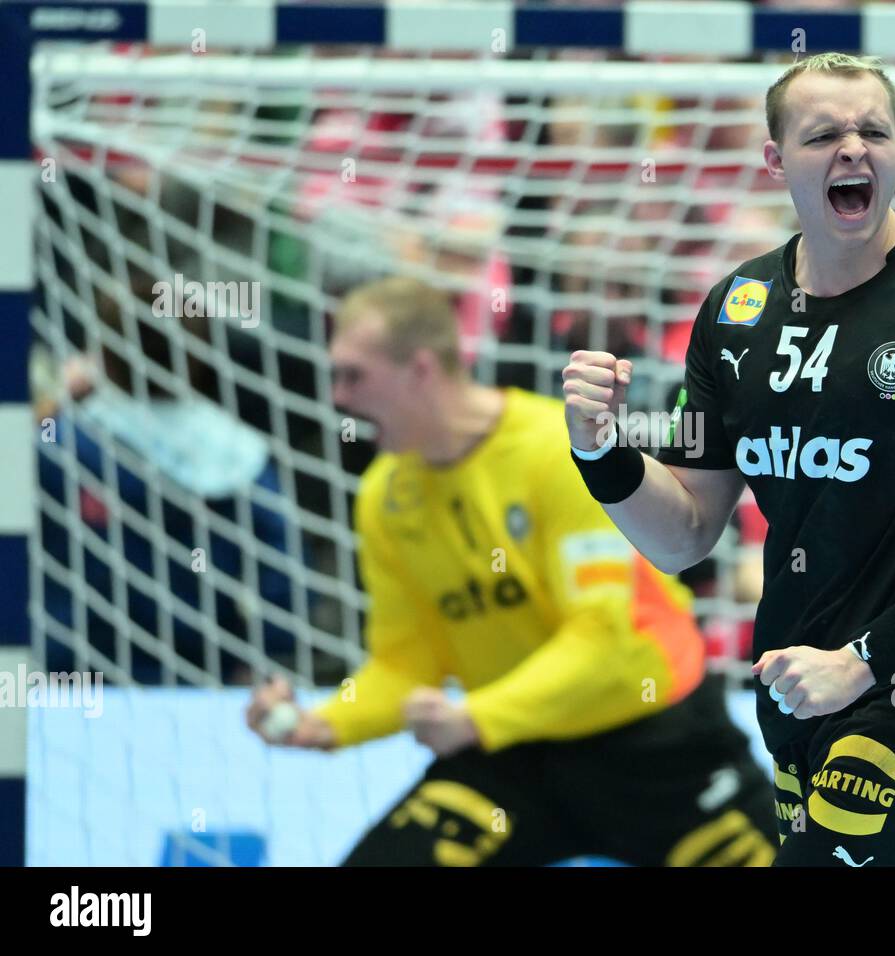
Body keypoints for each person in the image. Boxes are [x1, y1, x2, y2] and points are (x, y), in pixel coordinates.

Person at [564, 53, 895, 867]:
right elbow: (685, 534)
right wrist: (601, 452)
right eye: (824, 134)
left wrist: (861, 663)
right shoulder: (736, 311)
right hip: (797, 674)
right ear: (776, 162)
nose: (853, 148)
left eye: (873, 130)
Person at [246, 276, 775, 867]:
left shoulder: (557, 449)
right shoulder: (383, 498)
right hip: (515, 756)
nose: (338, 397)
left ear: (421, 369)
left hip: (657, 746)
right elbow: (406, 662)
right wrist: (327, 724)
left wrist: (476, 715)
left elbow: (604, 640)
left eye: (353, 375)